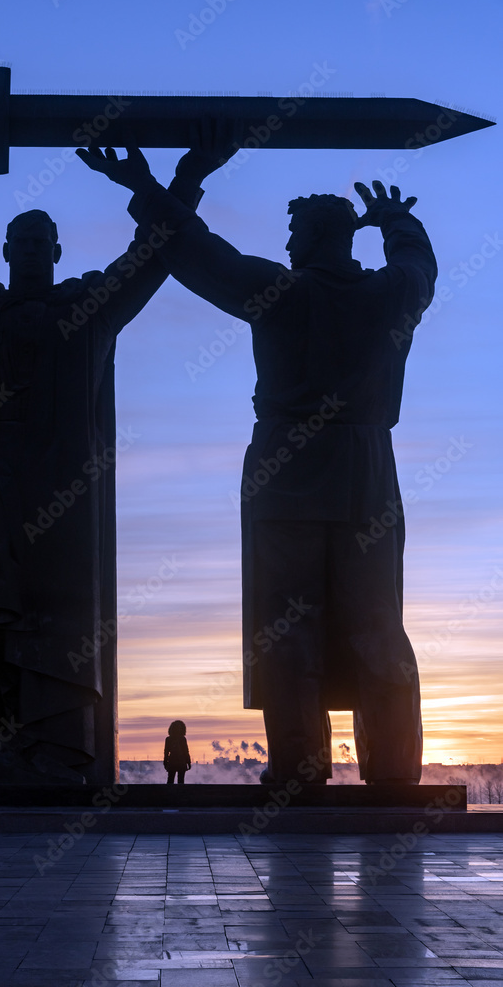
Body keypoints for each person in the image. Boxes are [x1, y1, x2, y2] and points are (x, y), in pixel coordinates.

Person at [90, 132, 437, 786]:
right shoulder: (388, 296)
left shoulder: (280, 292)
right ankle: (393, 770)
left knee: (287, 624)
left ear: (315, 237)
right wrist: (397, 220)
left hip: (289, 470)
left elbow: (197, 254)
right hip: (365, 467)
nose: (289, 244)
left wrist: (147, 188)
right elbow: (421, 269)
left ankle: (301, 766)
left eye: (296, 231)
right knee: (376, 621)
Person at [0, 95, 205, 785]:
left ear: (58, 252)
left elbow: (153, 255)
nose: (35, 252)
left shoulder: (89, 308)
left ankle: (54, 740)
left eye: (46, 243)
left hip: (59, 481)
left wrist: (183, 181)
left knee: (60, 606)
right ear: (7, 251)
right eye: (24, 243)